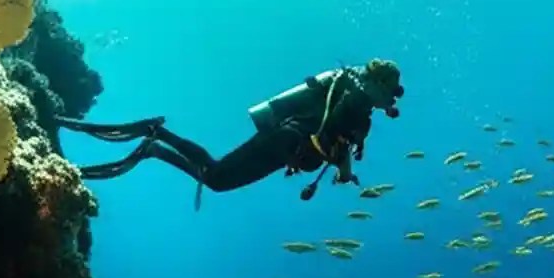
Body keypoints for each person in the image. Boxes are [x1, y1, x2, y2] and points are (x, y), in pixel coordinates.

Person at [55, 59, 404, 207]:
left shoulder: (357, 105)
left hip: (287, 146)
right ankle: (155, 141)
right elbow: (340, 147)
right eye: (390, 90)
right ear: (377, 82)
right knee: (217, 178)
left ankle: (156, 142)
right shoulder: (356, 100)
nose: (390, 98)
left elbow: (339, 148)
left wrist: (345, 174)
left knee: (217, 176)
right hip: (287, 143)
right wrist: (345, 175)